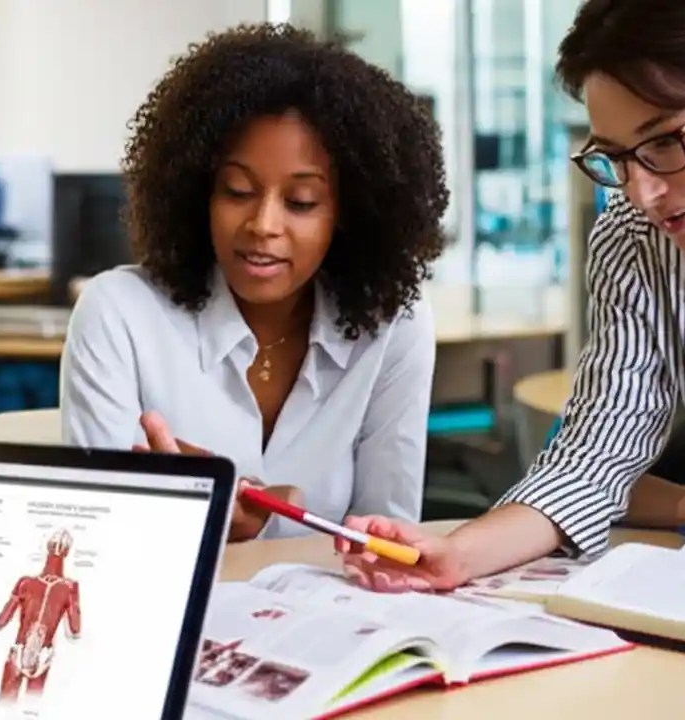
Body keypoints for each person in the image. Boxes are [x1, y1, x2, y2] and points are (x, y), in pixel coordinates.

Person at [340, 0, 685, 593]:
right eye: (617, 158)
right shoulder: (634, 236)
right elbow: (596, 453)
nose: (643, 191)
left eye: (663, 142)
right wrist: (456, 553)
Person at [60, 23, 448, 541]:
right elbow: (92, 542)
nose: (263, 225)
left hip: (331, 620)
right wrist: (196, 523)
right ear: (199, 192)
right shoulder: (119, 314)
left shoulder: (393, 323)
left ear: (349, 211)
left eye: (301, 202)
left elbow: (387, 539)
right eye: (237, 191)